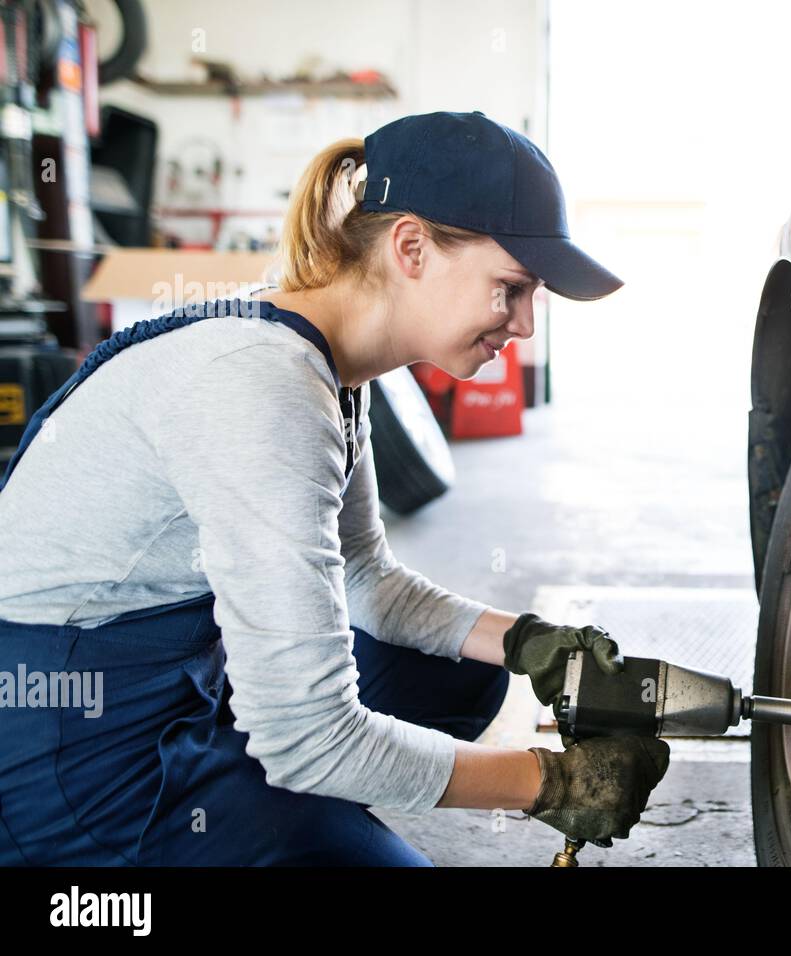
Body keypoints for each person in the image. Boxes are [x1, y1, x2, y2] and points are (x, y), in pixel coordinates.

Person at [0, 110, 669, 866]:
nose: (522, 327)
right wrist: (548, 783)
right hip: (64, 750)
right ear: (410, 247)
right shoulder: (264, 389)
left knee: (463, 677)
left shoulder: (330, 361)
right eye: (510, 289)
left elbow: (362, 578)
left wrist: (533, 644)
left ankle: (261, 801)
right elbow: (306, 737)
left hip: (178, 670)